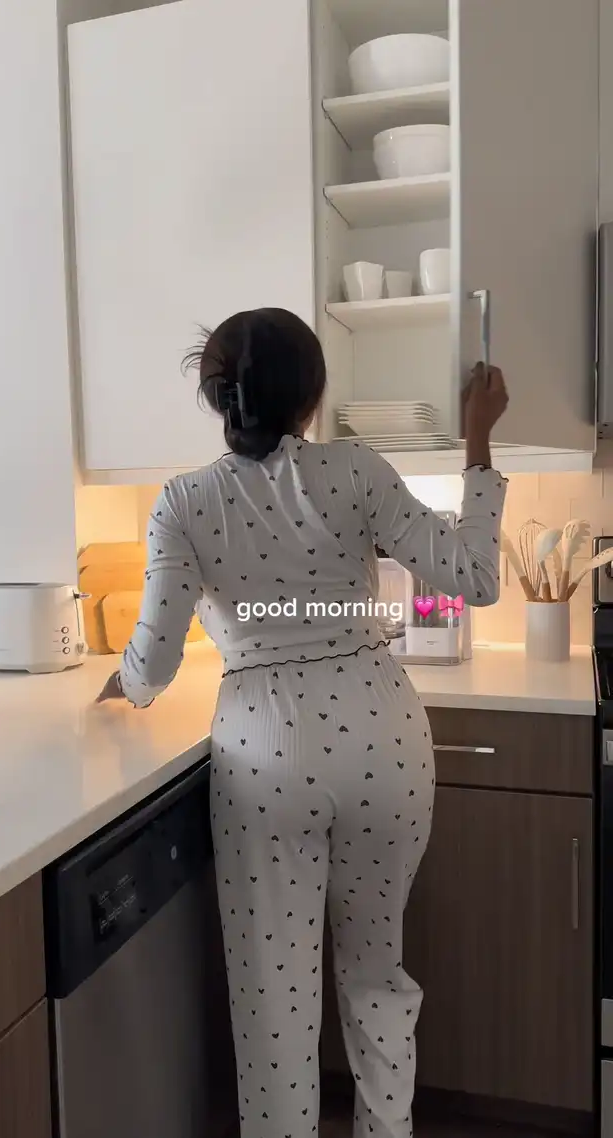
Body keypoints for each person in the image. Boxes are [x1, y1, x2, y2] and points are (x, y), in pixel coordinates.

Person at [97, 307, 508, 1138]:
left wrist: (121, 686)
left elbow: (155, 660)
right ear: (312, 398)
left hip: (267, 754)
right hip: (384, 736)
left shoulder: (184, 501)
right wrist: (477, 440)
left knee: (273, 999)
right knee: (377, 974)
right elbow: (475, 577)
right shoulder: (355, 470)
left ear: (216, 398)